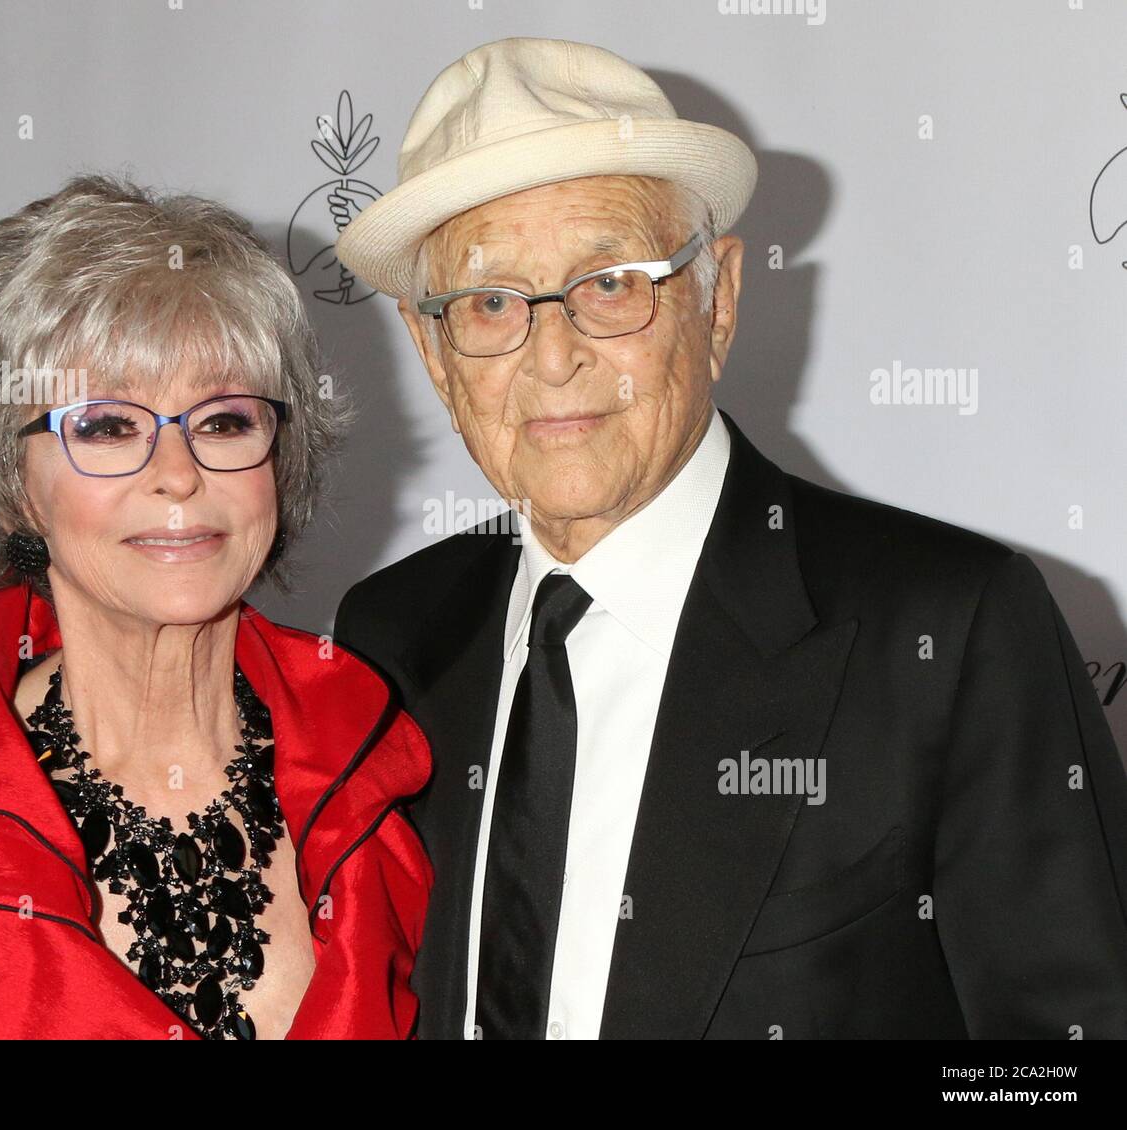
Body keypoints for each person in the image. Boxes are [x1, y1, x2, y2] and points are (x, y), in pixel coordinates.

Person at [332, 36, 1127, 1039]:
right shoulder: (387, 639)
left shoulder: (946, 626)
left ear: (719, 301)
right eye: (491, 303)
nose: (555, 357)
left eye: (610, 282)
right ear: (432, 351)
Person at [0, 174, 432, 1040]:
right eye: (107, 426)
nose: (179, 474)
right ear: (11, 484)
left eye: (223, 420)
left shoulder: (390, 774)